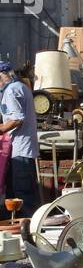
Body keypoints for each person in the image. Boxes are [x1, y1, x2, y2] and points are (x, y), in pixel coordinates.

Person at [0, 60, 42, 218]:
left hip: (21, 148)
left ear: (2, 76)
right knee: (23, 190)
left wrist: (2, 128)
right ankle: (26, 222)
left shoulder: (11, 91)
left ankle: (27, 226)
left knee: (23, 192)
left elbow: (17, 119)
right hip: (23, 147)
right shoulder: (22, 87)